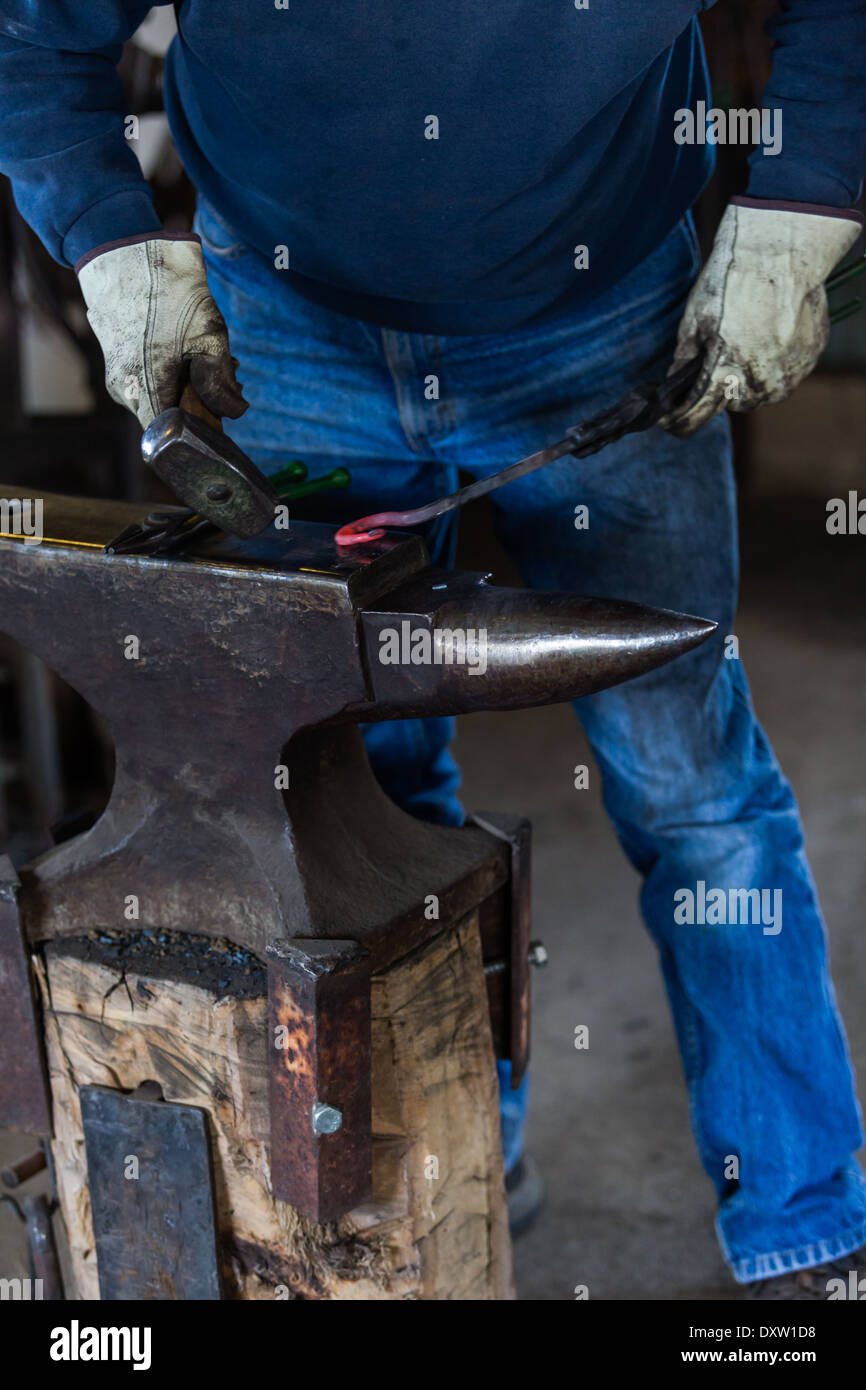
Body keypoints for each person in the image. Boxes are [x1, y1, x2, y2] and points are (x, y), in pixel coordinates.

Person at [1, 2, 864, 1298]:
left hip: (603, 309)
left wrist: (805, 201)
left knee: (697, 795)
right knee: (363, 811)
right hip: (281, 335)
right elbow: (30, 33)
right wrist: (113, 243)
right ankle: (451, 1176)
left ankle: (804, 1216)